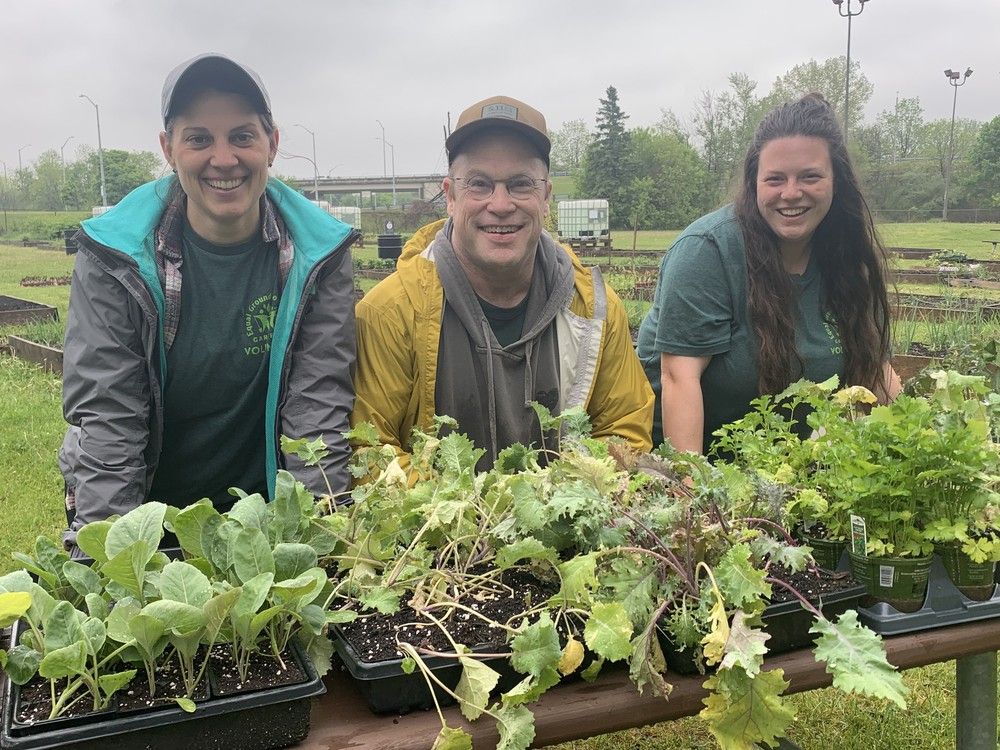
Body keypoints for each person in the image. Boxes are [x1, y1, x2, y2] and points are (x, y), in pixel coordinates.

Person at [59, 53, 357, 547]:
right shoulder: (116, 257)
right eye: (199, 138)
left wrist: (324, 538)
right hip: (148, 510)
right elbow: (110, 414)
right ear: (169, 148)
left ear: (272, 144)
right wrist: (114, 558)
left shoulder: (317, 255)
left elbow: (317, 410)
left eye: (242, 136)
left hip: (260, 524)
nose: (223, 159)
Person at [352, 95, 653, 470]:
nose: (500, 204)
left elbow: (624, 432)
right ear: (450, 196)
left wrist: (553, 506)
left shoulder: (594, 310)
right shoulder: (389, 312)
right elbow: (370, 451)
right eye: (479, 184)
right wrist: (479, 518)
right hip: (443, 529)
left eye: (520, 184)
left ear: (545, 197)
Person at [636, 93, 900, 455]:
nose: (791, 193)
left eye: (810, 176)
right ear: (754, 183)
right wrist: (694, 495)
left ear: (836, 181)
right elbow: (679, 378)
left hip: (798, 465)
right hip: (706, 464)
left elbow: (876, 372)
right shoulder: (706, 251)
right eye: (775, 179)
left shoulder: (847, 253)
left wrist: (911, 441)